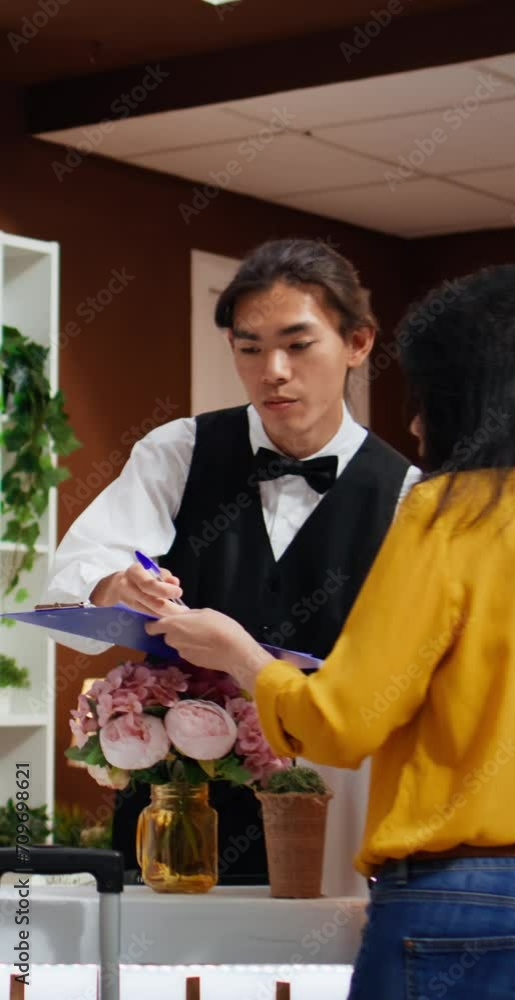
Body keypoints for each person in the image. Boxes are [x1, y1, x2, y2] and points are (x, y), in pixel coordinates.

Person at [147, 263, 515, 998]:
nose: (410, 423)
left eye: (424, 396)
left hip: (459, 903)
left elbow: (342, 723)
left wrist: (242, 657)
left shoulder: (451, 514)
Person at [47, 237, 419, 894]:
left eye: (297, 345)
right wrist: (115, 584)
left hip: (332, 812)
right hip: (176, 808)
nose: (272, 370)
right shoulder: (181, 450)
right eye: (249, 348)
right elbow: (72, 580)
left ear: (358, 344)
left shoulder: (408, 493)